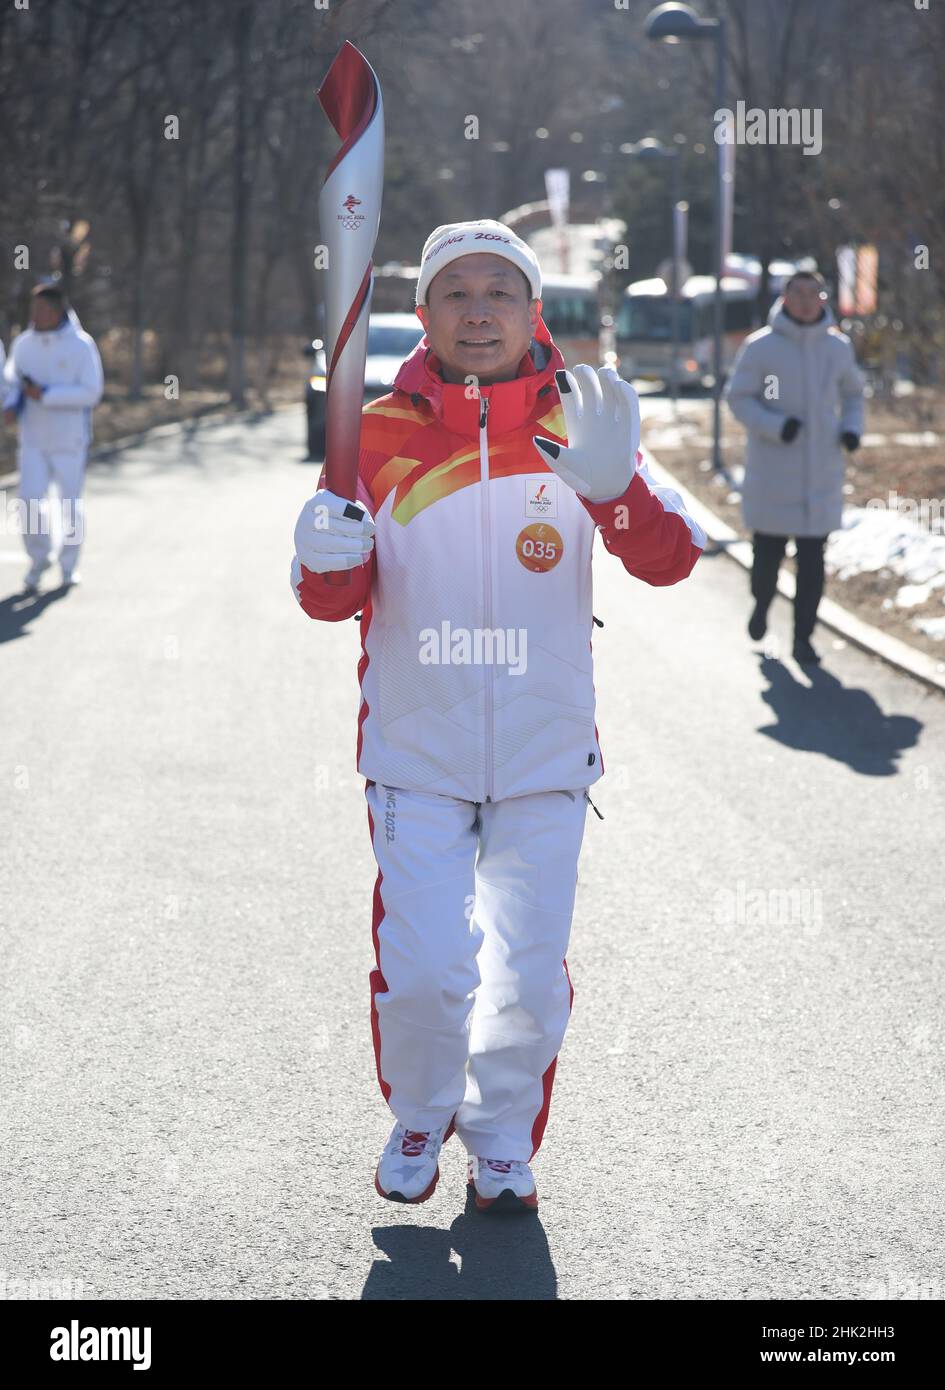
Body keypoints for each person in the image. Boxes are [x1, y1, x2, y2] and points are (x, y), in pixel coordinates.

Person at [290, 219, 706, 1214]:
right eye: (458, 292)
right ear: (425, 313)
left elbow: (672, 557)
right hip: (415, 750)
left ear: (534, 312)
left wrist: (615, 497)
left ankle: (505, 1138)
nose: (480, 311)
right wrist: (323, 554)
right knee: (429, 966)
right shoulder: (378, 433)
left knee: (525, 974)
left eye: (501, 291)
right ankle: (422, 1113)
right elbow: (327, 599)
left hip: (544, 753)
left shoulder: (584, 420)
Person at [724, 269, 864, 664]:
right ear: (784, 297)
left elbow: (854, 395)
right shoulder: (761, 348)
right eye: (797, 293)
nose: (805, 300)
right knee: (767, 559)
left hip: (821, 475)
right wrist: (775, 425)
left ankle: (803, 638)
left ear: (823, 298)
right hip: (773, 474)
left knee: (813, 562)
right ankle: (762, 604)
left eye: (813, 293)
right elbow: (738, 398)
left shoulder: (838, 348)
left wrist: (852, 429)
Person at [2, 283, 104, 592]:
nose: (36, 315)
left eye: (42, 310)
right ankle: (38, 558)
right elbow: (11, 381)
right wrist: (10, 405)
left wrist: (46, 395)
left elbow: (91, 392)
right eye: (33, 309)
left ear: (58, 311)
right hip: (33, 437)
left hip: (69, 439)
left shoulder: (81, 345)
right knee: (29, 502)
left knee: (69, 505)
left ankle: (69, 565)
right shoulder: (24, 344)